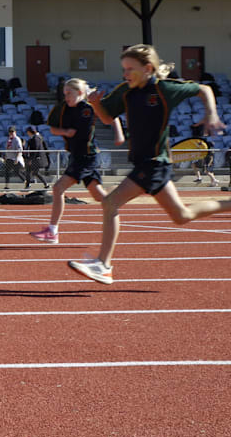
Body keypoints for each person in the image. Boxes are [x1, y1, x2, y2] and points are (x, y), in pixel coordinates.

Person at [67, 45, 231, 284]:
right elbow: (106, 117)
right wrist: (95, 104)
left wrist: (212, 114)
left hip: (154, 163)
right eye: (123, 69)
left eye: (129, 69)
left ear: (147, 68)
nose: (124, 74)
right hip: (150, 164)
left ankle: (103, 264)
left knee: (111, 202)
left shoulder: (164, 89)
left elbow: (204, 89)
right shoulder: (125, 91)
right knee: (182, 215)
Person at [30, 78, 125, 246]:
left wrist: (119, 134)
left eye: (69, 93)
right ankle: (114, 209)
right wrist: (64, 131)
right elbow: (52, 128)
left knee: (58, 188)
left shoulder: (90, 107)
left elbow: (112, 117)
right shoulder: (63, 108)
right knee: (99, 196)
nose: (65, 96)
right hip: (77, 156)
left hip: (86, 156)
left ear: (80, 93)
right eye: (64, 93)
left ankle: (52, 231)